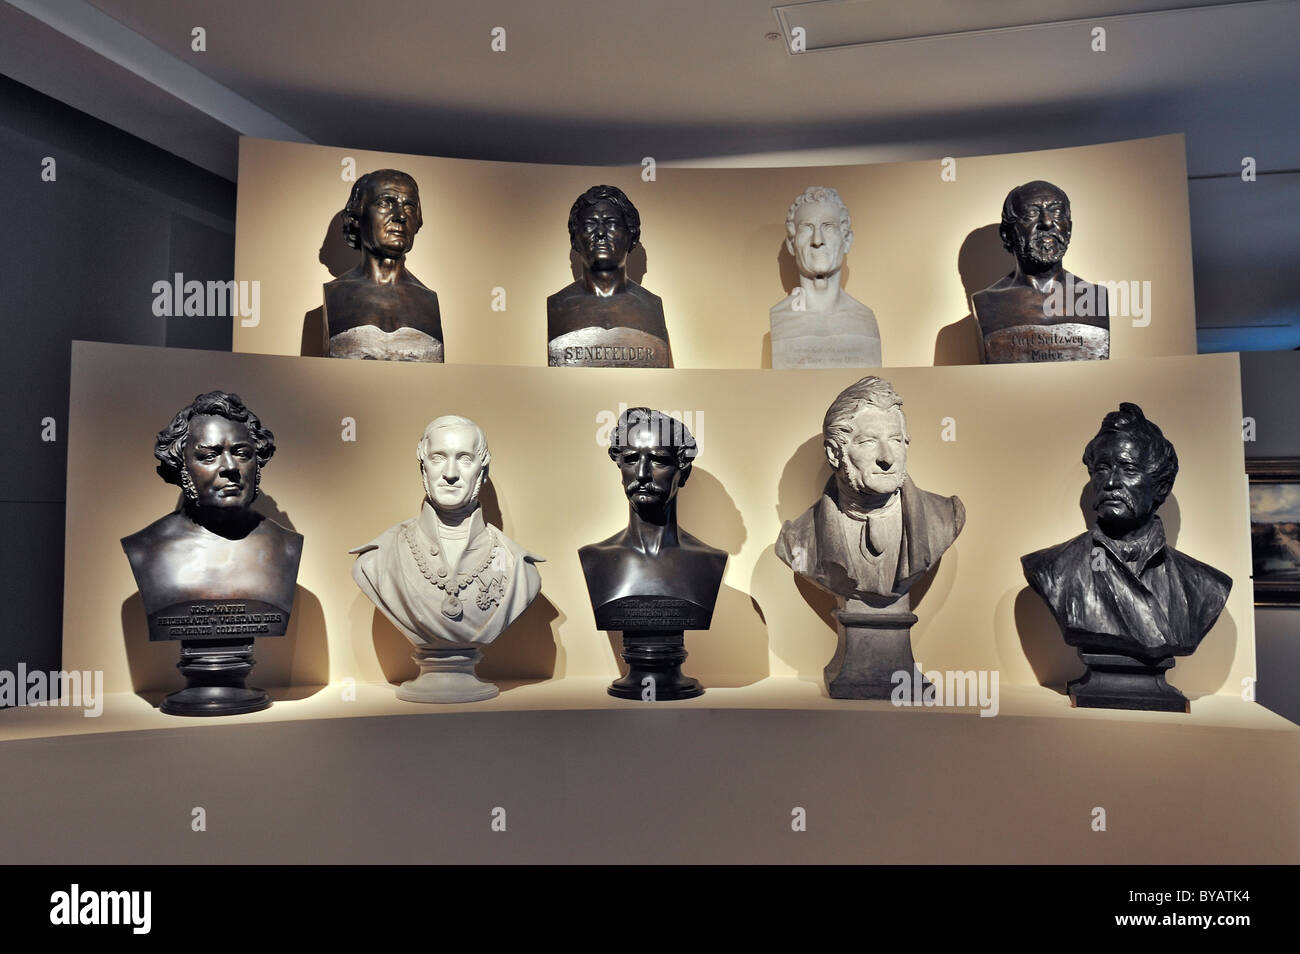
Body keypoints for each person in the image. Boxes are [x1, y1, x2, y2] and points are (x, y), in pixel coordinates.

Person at [1022, 403, 1231, 655]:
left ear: (1161, 487)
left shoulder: (1206, 587)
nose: (1110, 482)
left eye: (1128, 469)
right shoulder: (1051, 569)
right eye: (1102, 469)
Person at [121, 390, 303, 638]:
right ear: (181, 465)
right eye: (209, 456)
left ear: (257, 461)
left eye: (242, 454)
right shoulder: (143, 549)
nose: (230, 467)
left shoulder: (288, 546)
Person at [350, 416, 541, 646]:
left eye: (465, 459)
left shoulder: (518, 567)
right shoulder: (377, 561)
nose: (450, 473)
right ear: (423, 466)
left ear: (483, 471)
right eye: (438, 457)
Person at [776, 376, 964, 601]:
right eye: (868, 442)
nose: (887, 458)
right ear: (834, 453)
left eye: (895, 440)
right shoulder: (797, 540)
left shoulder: (945, 517)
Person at [972, 180, 1109, 363]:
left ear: (1069, 228)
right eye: (1031, 213)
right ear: (1007, 234)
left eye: (1056, 211)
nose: (1047, 222)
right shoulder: (987, 302)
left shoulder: (1095, 297)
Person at [324, 169, 444, 361]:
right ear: (356, 218)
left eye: (409, 206)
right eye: (385, 203)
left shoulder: (428, 299)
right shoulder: (335, 293)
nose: (401, 216)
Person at [547, 185, 672, 367]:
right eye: (590, 225)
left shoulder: (651, 305)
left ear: (632, 236)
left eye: (611, 223)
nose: (600, 233)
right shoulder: (558, 305)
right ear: (575, 239)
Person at [769, 186, 881, 368]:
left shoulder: (865, 319)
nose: (817, 240)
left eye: (828, 227)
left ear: (846, 240)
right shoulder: (780, 317)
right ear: (791, 244)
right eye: (807, 228)